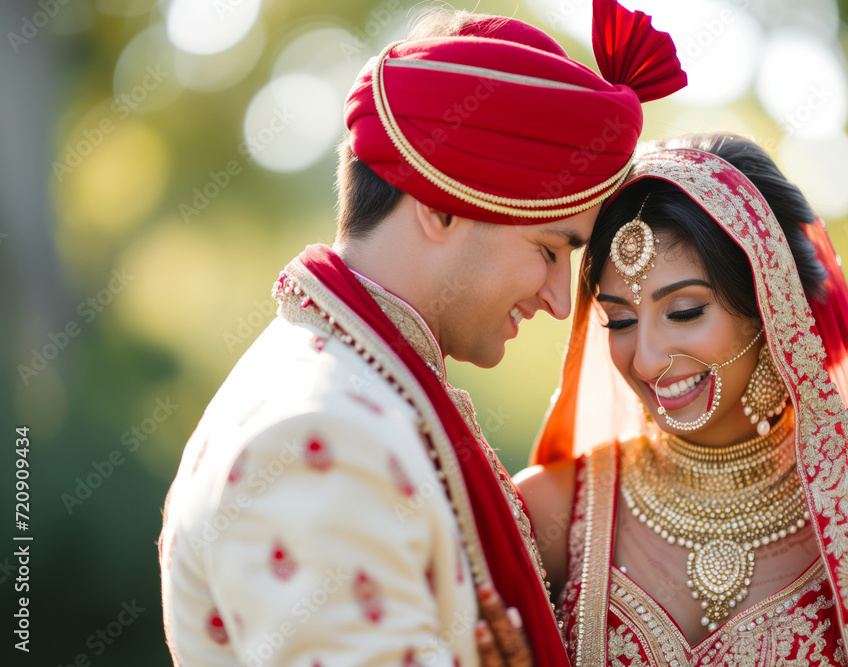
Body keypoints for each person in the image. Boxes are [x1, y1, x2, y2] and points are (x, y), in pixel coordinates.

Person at [158, 1, 687, 665]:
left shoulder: (365, 389)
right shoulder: (318, 433)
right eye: (550, 249)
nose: (560, 301)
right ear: (439, 208)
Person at [517, 134, 848, 666]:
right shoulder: (548, 516)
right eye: (621, 321)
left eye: (684, 312)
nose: (647, 361)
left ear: (770, 304)